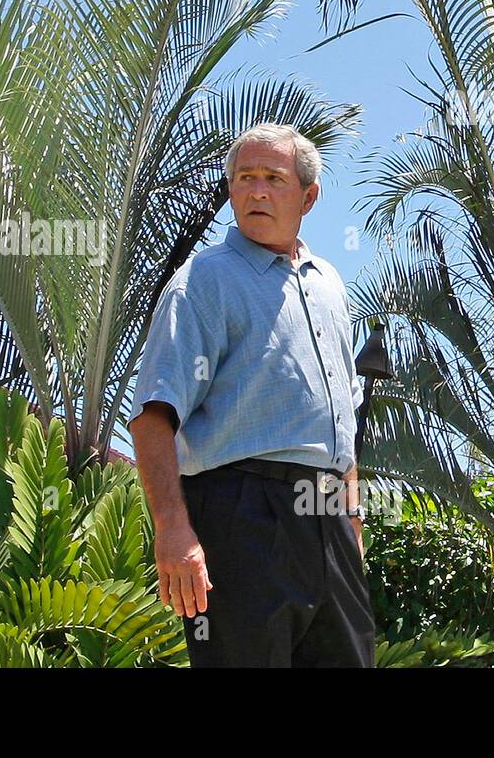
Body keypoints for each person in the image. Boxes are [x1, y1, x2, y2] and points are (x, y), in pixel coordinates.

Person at [127, 122, 374, 667]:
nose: (256, 191)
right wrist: (172, 530)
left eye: (272, 178)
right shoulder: (204, 280)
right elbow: (152, 417)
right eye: (244, 178)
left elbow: (342, 427)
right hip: (240, 515)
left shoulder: (330, 285)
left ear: (308, 196)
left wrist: (352, 532)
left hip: (329, 517)